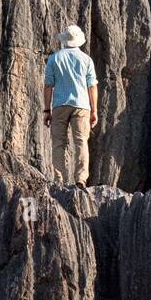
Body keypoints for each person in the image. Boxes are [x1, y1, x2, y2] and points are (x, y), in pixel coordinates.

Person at [43, 24, 98, 189]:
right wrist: (94, 110)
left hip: (60, 105)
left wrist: (47, 110)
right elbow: (92, 86)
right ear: (79, 41)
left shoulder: (54, 59)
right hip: (82, 105)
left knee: (58, 142)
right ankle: (81, 179)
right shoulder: (86, 60)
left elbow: (48, 85)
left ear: (64, 41)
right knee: (81, 141)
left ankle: (59, 179)